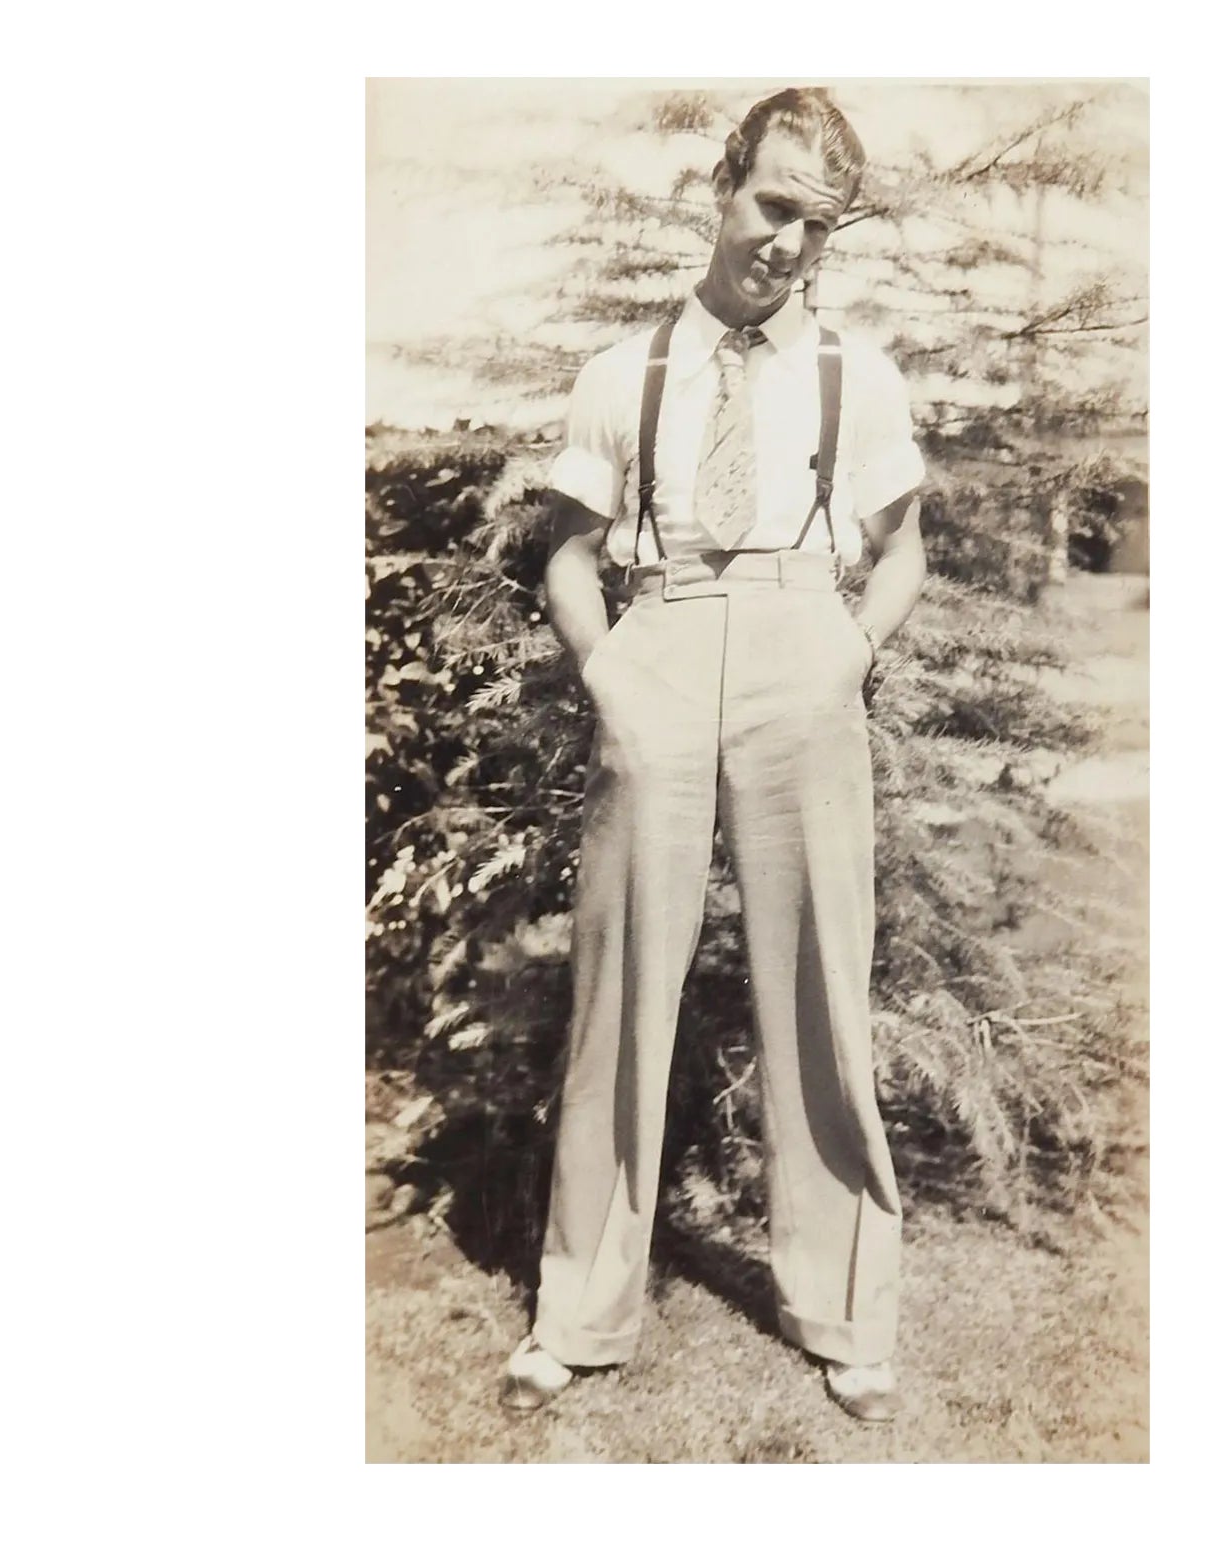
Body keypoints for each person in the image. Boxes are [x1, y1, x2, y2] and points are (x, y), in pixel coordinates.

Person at [501, 86, 927, 1424]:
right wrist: (610, 674)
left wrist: (849, 649)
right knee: (619, 985)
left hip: (806, 647)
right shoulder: (622, 372)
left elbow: (902, 547)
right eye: (772, 206)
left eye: (819, 225)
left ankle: (845, 1311)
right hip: (662, 646)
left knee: (820, 988)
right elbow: (566, 554)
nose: (788, 244)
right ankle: (580, 1308)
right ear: (722, 185)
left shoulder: (855, 374)